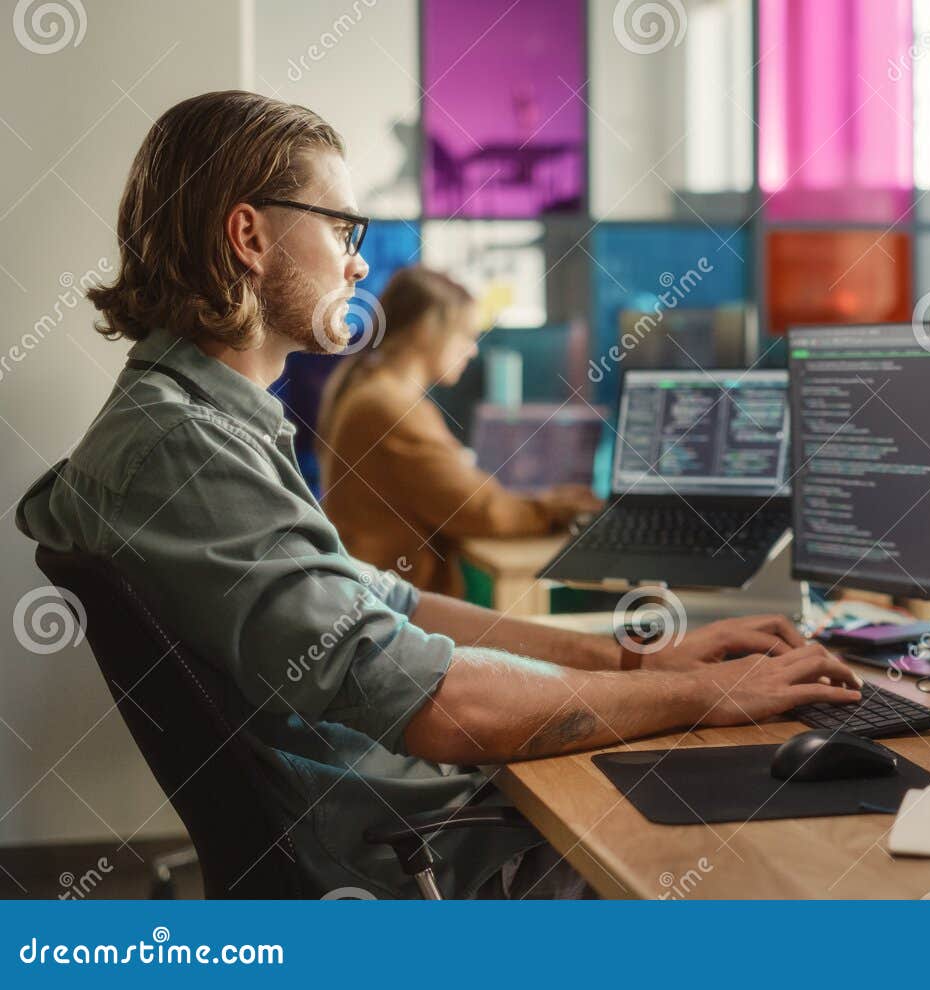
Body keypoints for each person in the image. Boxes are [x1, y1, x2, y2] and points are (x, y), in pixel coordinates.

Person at [16, 91, 860, 899]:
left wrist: (641, 659)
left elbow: (392, 602)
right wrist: (707, 695)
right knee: (784, 846)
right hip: (420, 862)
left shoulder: (206, 425)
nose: (356, 259)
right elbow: (443, 708)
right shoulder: (182, 450)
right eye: (342, 227)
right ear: (249, 235)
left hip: (420, 822)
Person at [317, 265, 600, 595]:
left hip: (373, 592)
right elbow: (480, 512)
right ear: (427, 331)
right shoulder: (390, 406)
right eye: (466, 334)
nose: (473, 349)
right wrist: (556, 508)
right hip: (394, 606)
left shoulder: (364, 383)